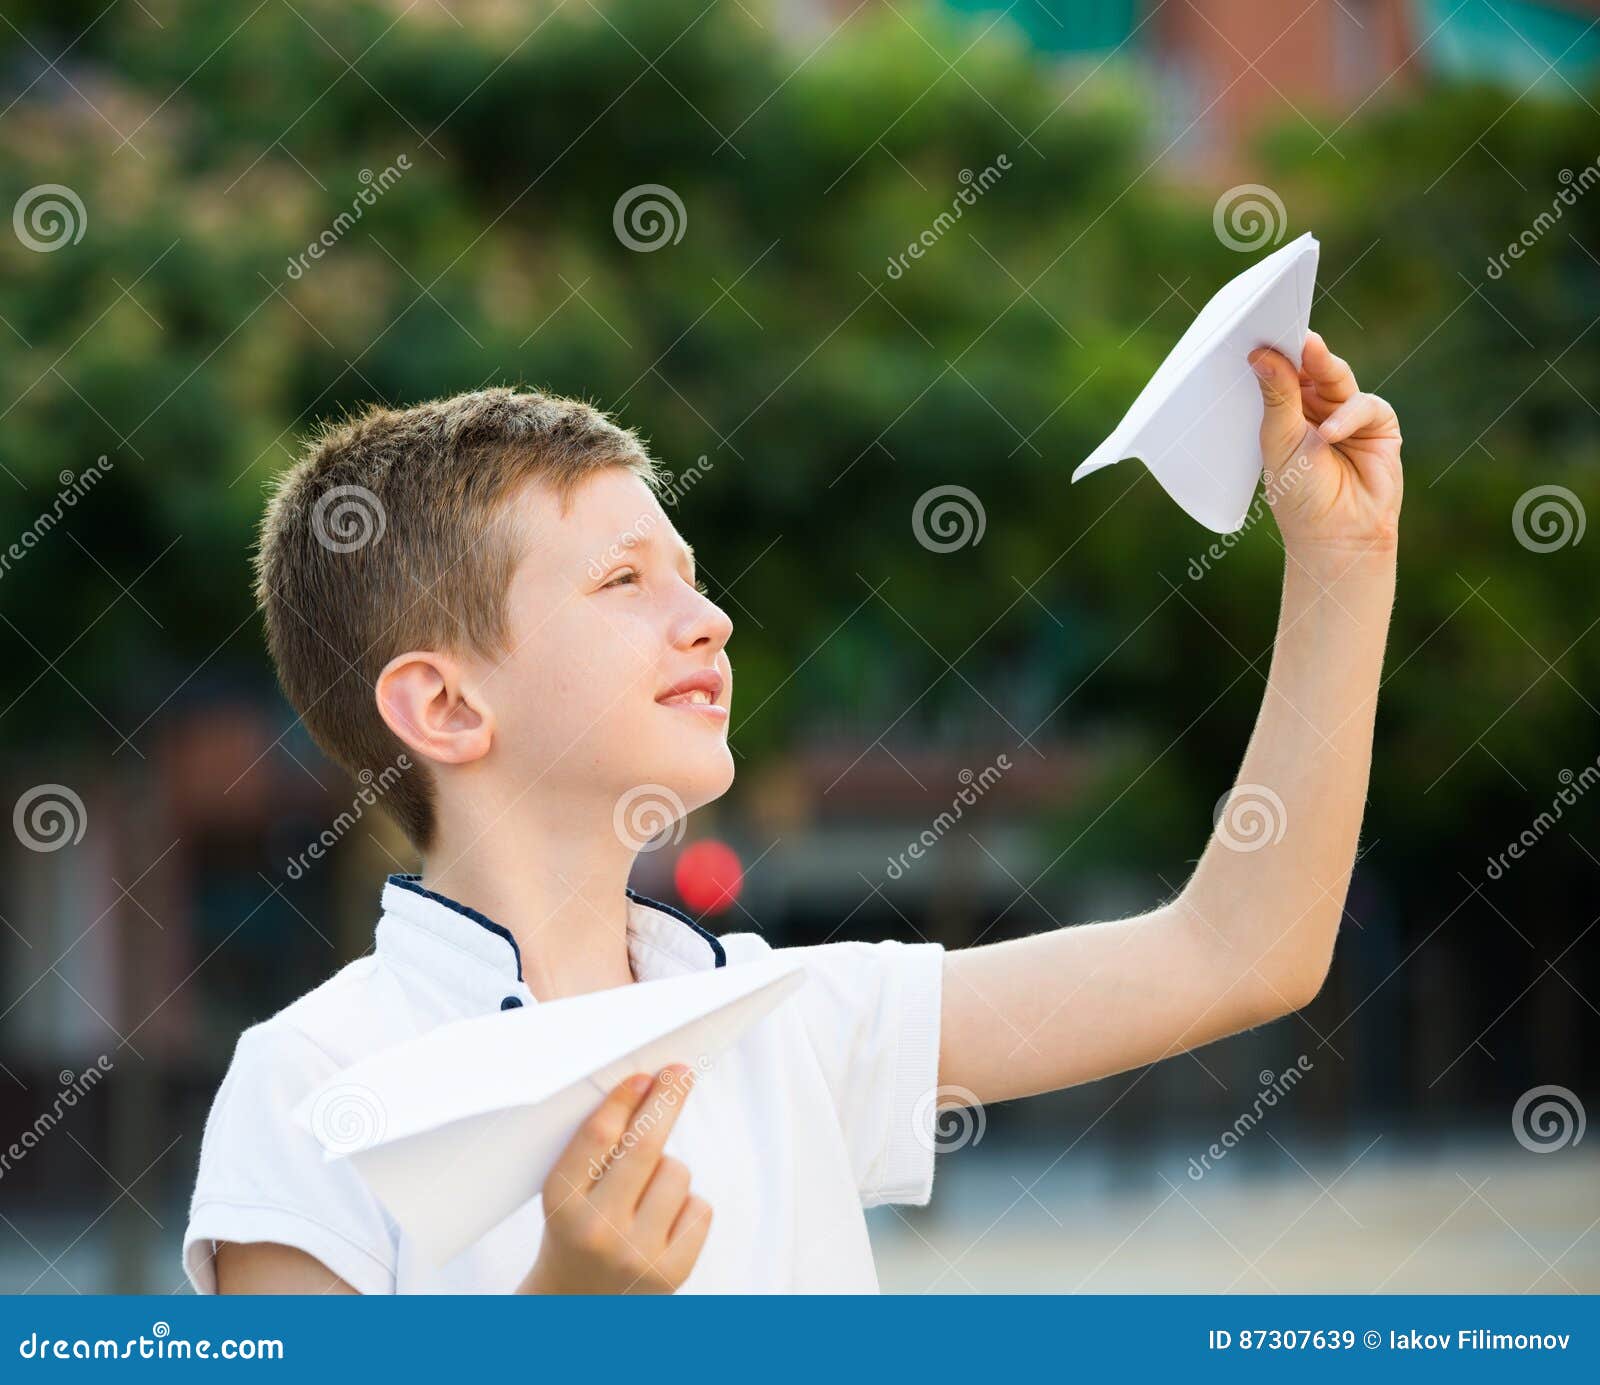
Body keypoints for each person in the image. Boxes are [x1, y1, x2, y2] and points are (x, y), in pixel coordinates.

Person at [182, 331, 1401, 1293]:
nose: (705, 618)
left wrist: (1344, 562)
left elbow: (1240, 950)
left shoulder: (785, 1019)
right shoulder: (310, 1085)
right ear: (444, 706)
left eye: (690, 575)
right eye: (622, 581)